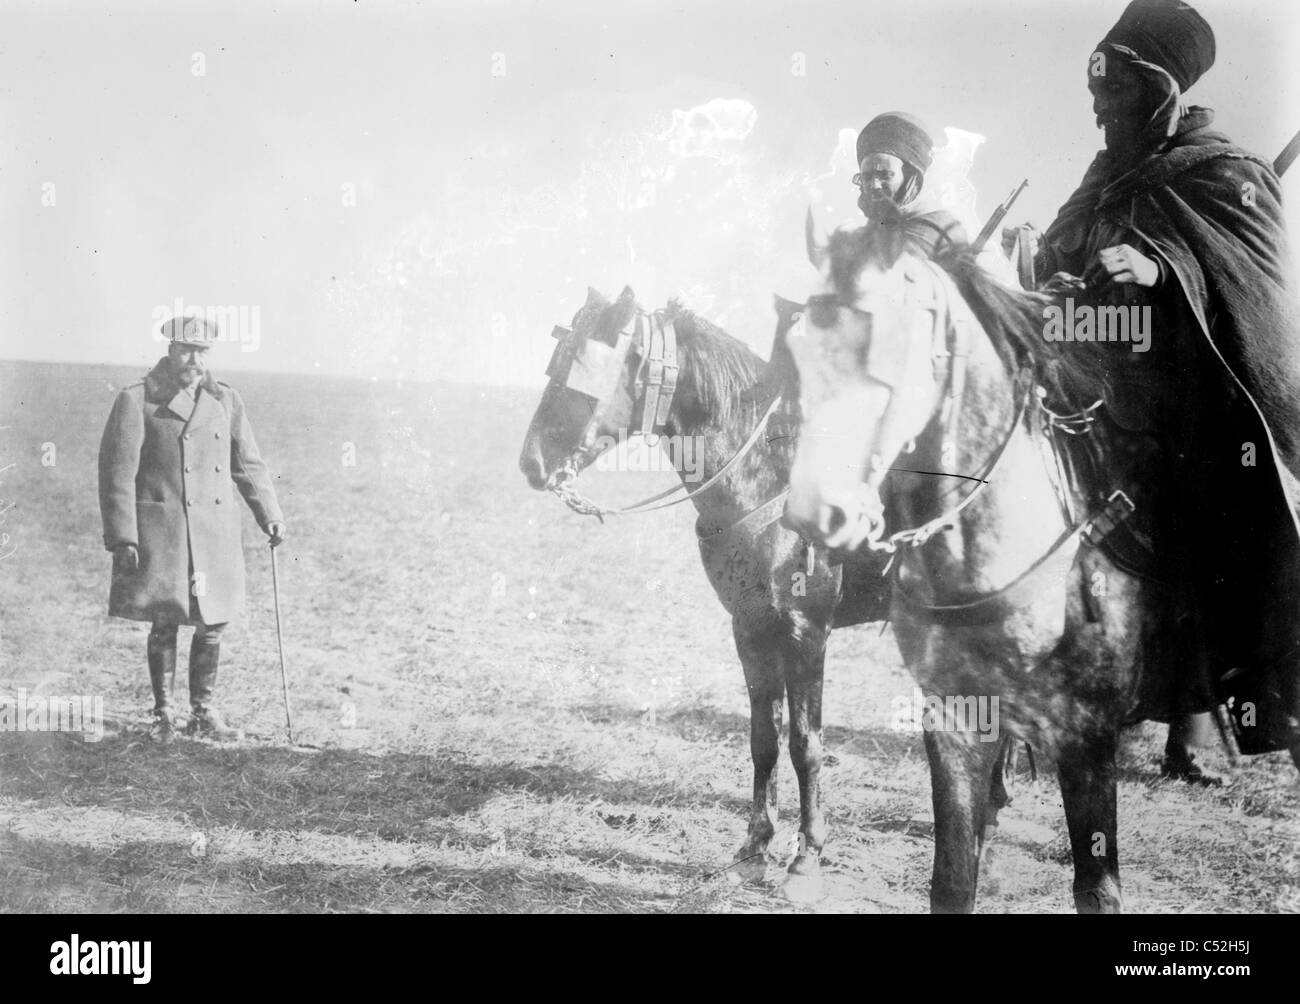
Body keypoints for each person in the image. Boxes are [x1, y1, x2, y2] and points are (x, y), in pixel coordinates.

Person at [1035, 0, 1300, 782]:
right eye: (1096, 91)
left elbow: (1256, 300)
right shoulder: (1104, 173)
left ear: (1160, 90)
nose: (1097, 109)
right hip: (1095, 378)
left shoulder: (1230, 177)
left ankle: (1199, 725)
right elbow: (1063, 254)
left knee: (1199, 534)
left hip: (1194, 398)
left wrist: (1158, 271)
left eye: (1113, 92)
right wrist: (1044, 260)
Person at [98, 315, 286, 743]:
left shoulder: (224, 400)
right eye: (186, 349)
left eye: (202, 351)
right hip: (163, 533)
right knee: (165, 621)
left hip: (213, 533)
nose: (194, 359)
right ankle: (163, 713)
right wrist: (124, 536)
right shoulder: (138, 400)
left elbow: (247, 463)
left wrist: (269, 512)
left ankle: (202, 711)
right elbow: (116, 474)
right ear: (169, 350)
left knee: (212, 622)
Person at [854, 111, 969, 258]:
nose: (874, 185)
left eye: (885, 175)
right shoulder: (878, 230)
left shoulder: (938, 231)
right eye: (867, 177)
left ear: (911, 176)